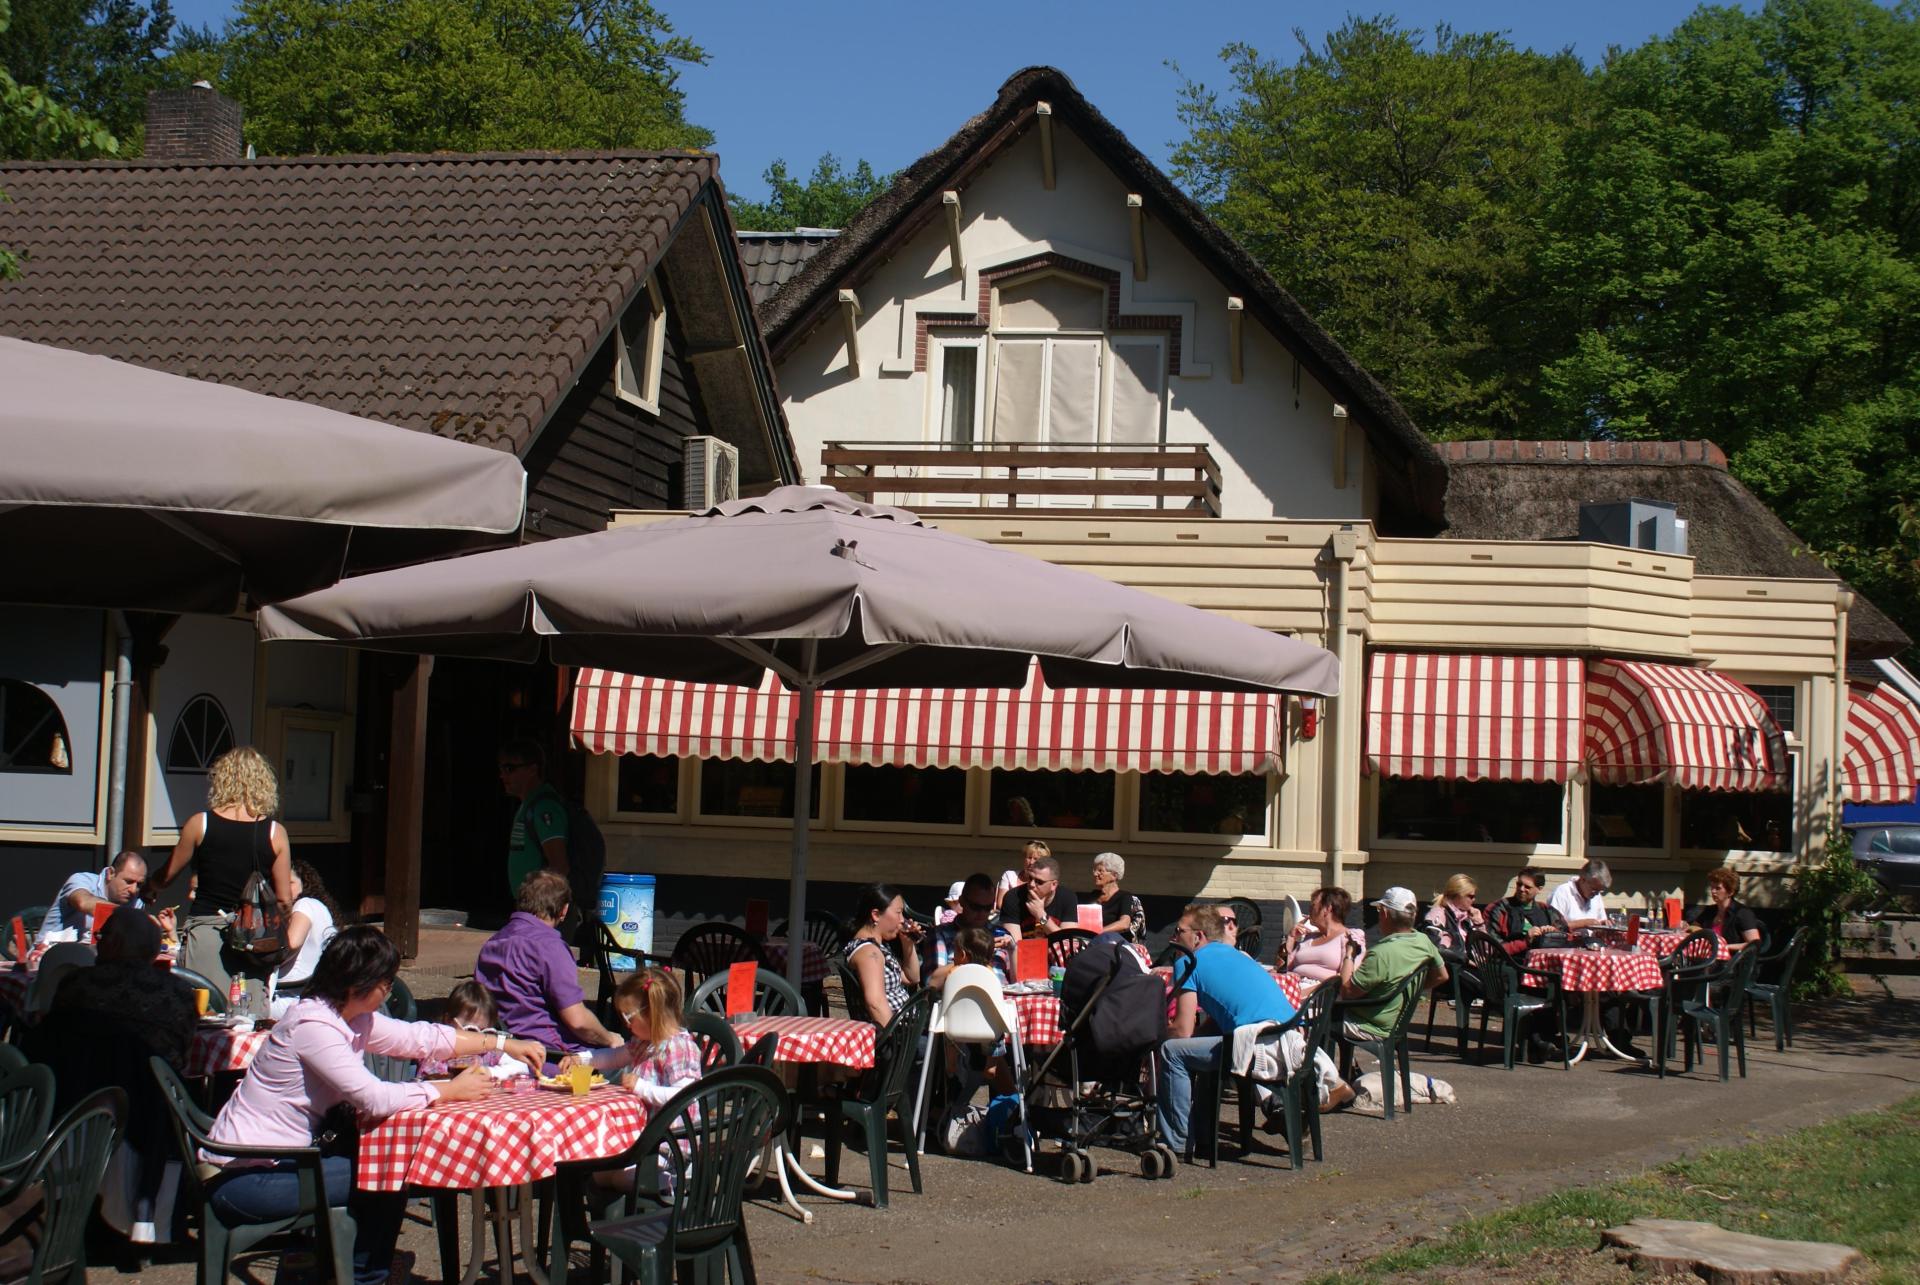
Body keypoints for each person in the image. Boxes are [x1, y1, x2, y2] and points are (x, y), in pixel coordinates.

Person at [204, 927, 545, 1285]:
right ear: (358, 985)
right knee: (386, 1172)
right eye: (385, 982)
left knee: (386, 1166)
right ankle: (364, 1276)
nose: (387, 990)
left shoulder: (349, 1018)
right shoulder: (313, 1026)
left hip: (285, 1161)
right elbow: (373, 1096)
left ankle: (356, 1272)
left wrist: (502, 1044)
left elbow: (419, 1037)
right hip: (247, 1175)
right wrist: (446, 1090)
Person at [27, 906, 198, 1244]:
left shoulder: (77, 984)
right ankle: (153, 1216)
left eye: (101, 938)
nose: (97, 944)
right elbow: (184, 1058)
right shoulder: (178, 994)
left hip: (75, 1106)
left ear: (116, 944)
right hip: (148, 1117)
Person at [1157, 905, 1352, 1156]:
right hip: (1290, 1041)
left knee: (1172, 1052)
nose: (1174, 937)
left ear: (1198, 936)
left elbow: (1182, 1030)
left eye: (1179, 930)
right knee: (1197, 1053)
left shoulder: (1188, 961)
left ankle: (1176, 1142)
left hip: (1257, 1046)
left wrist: (1159, 1036)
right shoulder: (1239, 956)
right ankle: (1204, 1137)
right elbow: (1223, 1018)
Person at [152, 745, 294, 1012]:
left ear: (222, 779)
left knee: (201, 1013)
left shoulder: (199, 824)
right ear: (263, 783)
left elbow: (168, 874)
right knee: (246, 1016)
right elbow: (284, 900)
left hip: (207, 930)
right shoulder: (275, 833)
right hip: (252, 937)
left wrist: (150, 887)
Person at [559, 968, 703, 1194]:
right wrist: (584, 1059)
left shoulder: (678, 1048)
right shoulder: (646, 1042)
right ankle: (603, 1219)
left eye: (628, 1017)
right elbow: (615, 1056)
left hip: (671, 1149)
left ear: (652, 1014)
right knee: (600, 1174)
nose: (626, 1025)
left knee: (619, 1179)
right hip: (644, 1142)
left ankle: (669, 1189)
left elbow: (685, 1095)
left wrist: (641, 1087)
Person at [474, 870, 623, 1061]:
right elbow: (578, 1022)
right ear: (564, 910)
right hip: (551, 1055)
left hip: (502, 1052)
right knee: (631, 1066)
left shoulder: (493, 943)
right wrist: (610, 1038)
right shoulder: (550, 947)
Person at [497, 738, 603, 947]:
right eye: (501, 768)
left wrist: (546, 913)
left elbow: (559, 865)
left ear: (532, 769)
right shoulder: (528, 805)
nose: (503, 775)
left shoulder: (545, 807)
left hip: (543, 912)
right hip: (532, 910)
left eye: (510, 768)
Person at [1337, 887, 1448, 1044]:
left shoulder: (1381, 953)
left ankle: (1316, 1067)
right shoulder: (1424, 942)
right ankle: (1350, 1066)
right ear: (1413, 914)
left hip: (1368, 1025)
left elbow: (1347, 993)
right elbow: (1442, 975)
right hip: (1398, 1022)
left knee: (1317, 1017)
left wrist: (1349, 955)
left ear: (1385, 913)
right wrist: (1408, 991)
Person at [843, 882, 922, 1028]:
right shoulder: (869, 953)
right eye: (898, 913)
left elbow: (912, 978)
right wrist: (892, 1040)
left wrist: (907, 944)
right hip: (897, 1037)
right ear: (876, 915)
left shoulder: (878, 947)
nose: (902, 920)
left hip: (907, 1029)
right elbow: (875, 1003)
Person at [35, 849, 153, 946]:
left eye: (139, 884)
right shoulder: (82, 880)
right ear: (110, 873)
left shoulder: (135, 900)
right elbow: (83, 902)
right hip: (47, 955)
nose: (133, 890)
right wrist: (128, 915)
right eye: (128, 881)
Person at [269, 859, 339, 1017]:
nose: (282, 888)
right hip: (310, 995)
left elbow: (291, 943)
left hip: (295, 997)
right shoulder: (318, 908)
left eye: (290, 883)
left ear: (304, 885)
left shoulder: (305, 904)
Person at [419, 981, 532, 1079]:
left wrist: (488, 1072)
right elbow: (430, 1082)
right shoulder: (437, 1053)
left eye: (486, 1033)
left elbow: (521, 1068)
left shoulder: (487, 1052)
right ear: (449, 1021)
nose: (479, 1038)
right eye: (471, 1031)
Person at [924, 872, 998, 991]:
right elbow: (931, 983)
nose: (981, 913)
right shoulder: (941, 935)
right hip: (960, 1001)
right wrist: (972, 959)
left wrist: (1013, 950)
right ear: (962, 901)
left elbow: (1022, 981)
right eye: (975, 907)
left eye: (987, 908)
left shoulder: (1001, 934)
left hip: (1004, 1002)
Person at [1278, 888, 1366, 985]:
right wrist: (1291, 938)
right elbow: (1281, 969)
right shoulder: (1309, 937)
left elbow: (1346, 978)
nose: (1309, 909)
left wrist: (1306, 993)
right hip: (1293, 988)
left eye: (1313, 905)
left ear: (1327, 909)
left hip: (1320, 995)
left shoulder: (1349, 936)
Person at [997, 854, 1077, 939]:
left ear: (1053, 885)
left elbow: (1068, 942)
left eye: (1039, 881)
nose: (1031, 884)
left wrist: (1041, 916)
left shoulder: (1067, 898)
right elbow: (1014, 946)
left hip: (1055, 952)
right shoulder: (1013, 897)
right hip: (1023, 951)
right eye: (1030, 878)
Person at [1484, 867, 1555, 955]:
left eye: (1527, 887)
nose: (1521, 889)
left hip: (1542, 961)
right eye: (1519, 884)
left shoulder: (1547, 910)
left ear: (1539, 889)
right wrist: (1525, 942)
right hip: (1508, 962)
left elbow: (1567, 936)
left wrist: (1553, 934)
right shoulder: (1497, 909)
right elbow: (1493, 947)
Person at [1690, 867, 1763, 951]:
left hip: (1731, 960)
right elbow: (1694, 927)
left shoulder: (1742, 913)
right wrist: (1687, 927)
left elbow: (1754, 943)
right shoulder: (1710, 910)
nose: (1713, 891)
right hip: (1706, 957)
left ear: (1730, 892)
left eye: (1718, 888)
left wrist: (1724, 948)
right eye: (1712, 887)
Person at [1089, 852, 1144, 941]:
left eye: (1100, 870)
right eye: (1094, 870)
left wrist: (1098, 933)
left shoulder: (1124, 897)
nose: (1095, 874)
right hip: (1089, 941)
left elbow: (1124, 924)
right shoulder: (1092, 896)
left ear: (1114, 875)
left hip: (1112, 945)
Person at [1422, 874, 1485, 951]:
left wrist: (1479, 924)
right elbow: (1433, 950)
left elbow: (1486, 951)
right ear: (1458, 895)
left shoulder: (1469, 918)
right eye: (1471, 896)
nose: (1474, 899)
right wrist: (1463, 959)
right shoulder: (1438, 914)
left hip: (1472, 962)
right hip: (1451, 962)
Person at [1549, 860, 1612, 930]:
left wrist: (1603, 924)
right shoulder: (1562, 892)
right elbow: (1555, 927)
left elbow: (1601, 920)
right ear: (1583, 879)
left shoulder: (1596, 896)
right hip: (1567, 940)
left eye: (1599, 891)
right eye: (1594, 889)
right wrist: (1584, 923)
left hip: (1593, 940)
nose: (1597, 894)